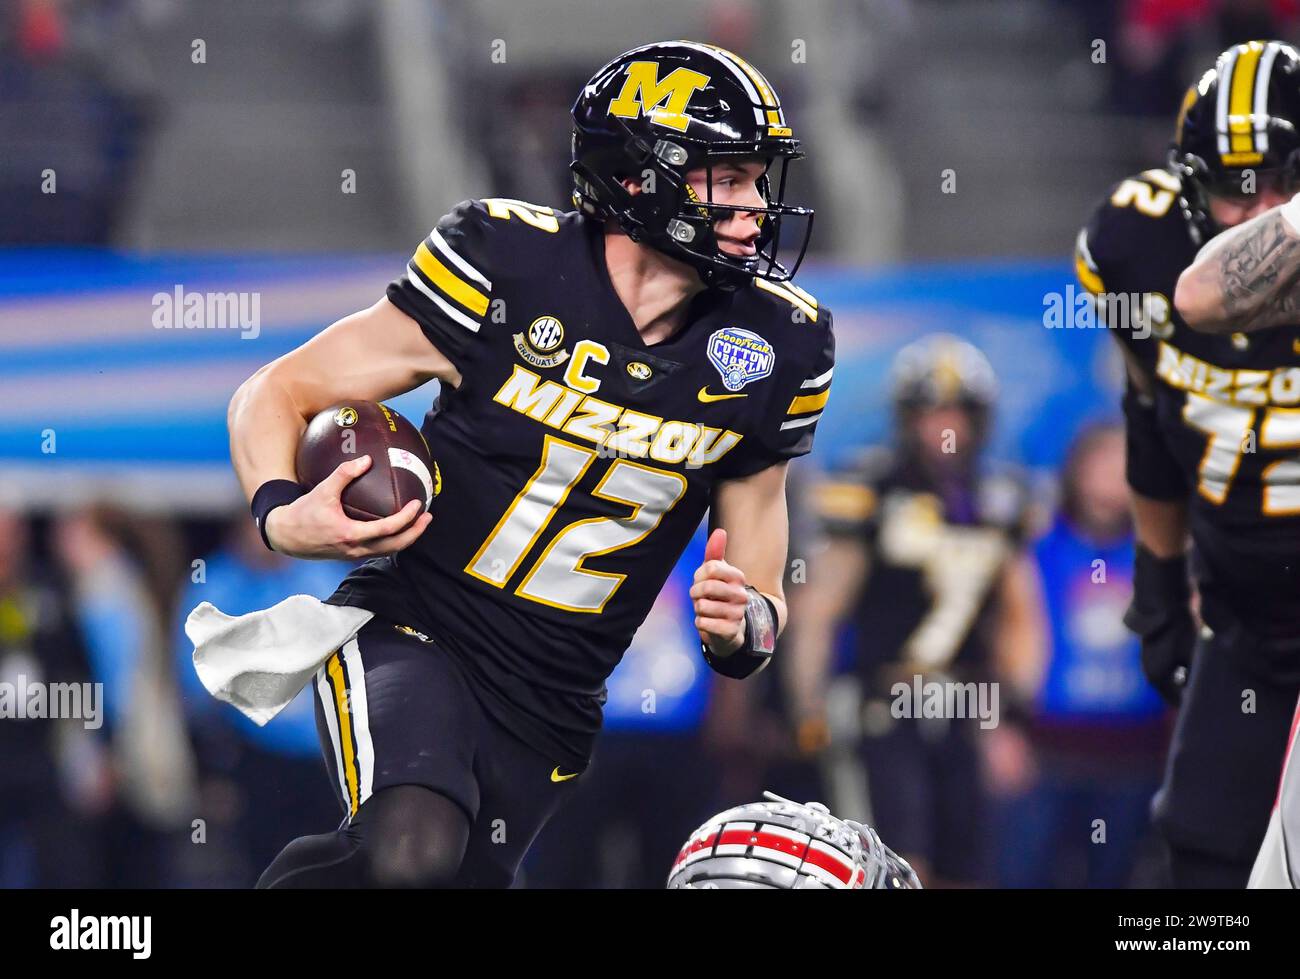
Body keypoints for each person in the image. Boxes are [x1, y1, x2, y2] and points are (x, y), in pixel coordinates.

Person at [225, 41, 835, 888]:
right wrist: (283, 510)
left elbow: (759, 545)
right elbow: (274, 390)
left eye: (759, 181)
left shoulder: (779, 343)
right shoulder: (506, 261)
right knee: (410, 850)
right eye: (727, 181)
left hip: (553, 702)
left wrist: (747, 625)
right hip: (416, 630)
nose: (756, 208)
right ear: (635, 179)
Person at [1074, 40, 1300, 887]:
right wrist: (1159, 580)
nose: (1259, 210)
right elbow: (1150, 422)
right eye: (1235, 187)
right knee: (1203, 854)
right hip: (1242, 618)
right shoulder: (1134, 240)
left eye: (1284, 181)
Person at [783, 334, 1045, 887]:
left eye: (957, 412)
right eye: (931, 412)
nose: (945, 428)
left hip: (965, 707)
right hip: (882, 706)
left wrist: (1014, 718)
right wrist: (809, 703)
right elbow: (822, 606)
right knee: (893, 870)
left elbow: (1020, 618)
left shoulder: (999, 497)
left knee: (964, 872)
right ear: (907, 418)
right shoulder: (872, 487)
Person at [999, 423, 1167, 888]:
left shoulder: (1162, 553)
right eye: (1100, 466)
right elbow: (1007, 642)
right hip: (1048, 750)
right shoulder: (1036, 547)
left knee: (1113, 876)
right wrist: (1004, 728)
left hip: (1136, 753)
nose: (1111, 481)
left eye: (1123, 468)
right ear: (1074, 472)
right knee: (1024, 874)